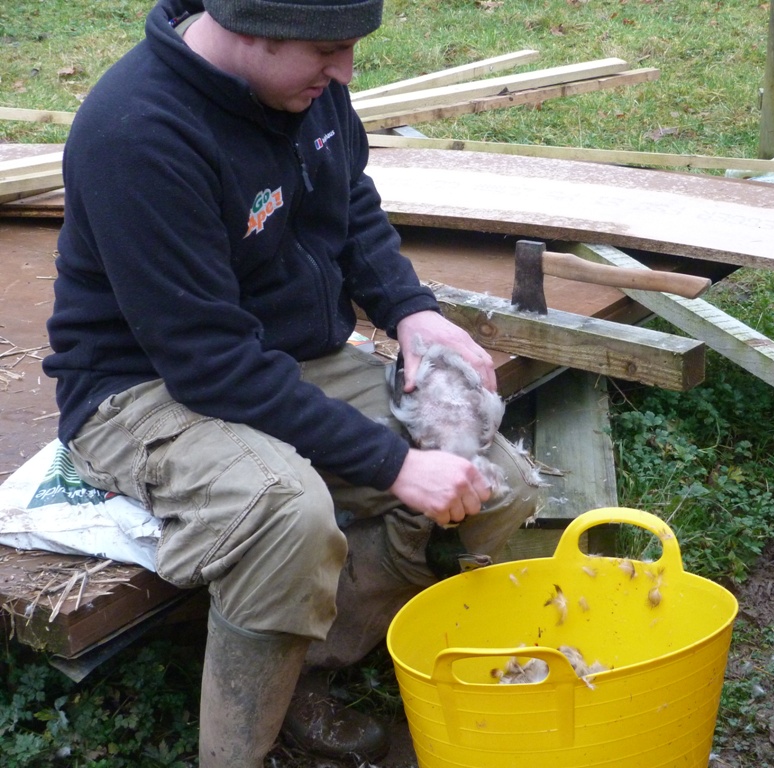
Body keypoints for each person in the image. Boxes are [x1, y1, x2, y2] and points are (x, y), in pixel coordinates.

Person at [43, 0, 540, 765]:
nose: (345, 72)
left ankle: (310, 665)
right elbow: (208, 363)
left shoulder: (300, 84)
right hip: (141, 385)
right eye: (330, 51)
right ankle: (237, 751)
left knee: (492, 482)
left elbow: (351, 208)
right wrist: (395, 465)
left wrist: (410, 312)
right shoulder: (137, 134)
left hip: (276, 358)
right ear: (250, 26)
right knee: (289, 515)